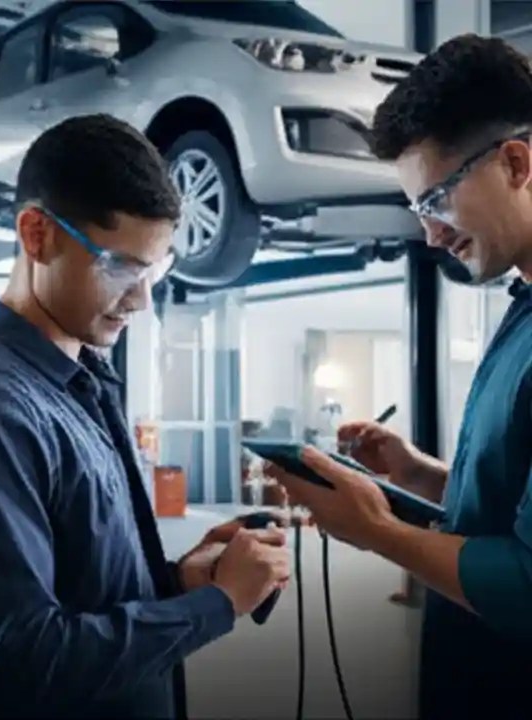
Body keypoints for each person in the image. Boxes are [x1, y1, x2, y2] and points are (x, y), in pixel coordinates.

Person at [0, 114, 292, 719]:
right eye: (122, 268)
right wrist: (218, 605)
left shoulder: (82, 386)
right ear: (37, 235)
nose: (142, 298)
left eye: (155, 271)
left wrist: (181, 584)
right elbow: (21, 668)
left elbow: (87, 599)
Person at [268, 34, 532, 720]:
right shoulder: (522, 311)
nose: (431, 234)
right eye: (420, 210)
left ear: (516, 163)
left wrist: (377, 531)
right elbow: (509, 511)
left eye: (437, 200)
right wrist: (420, 477)